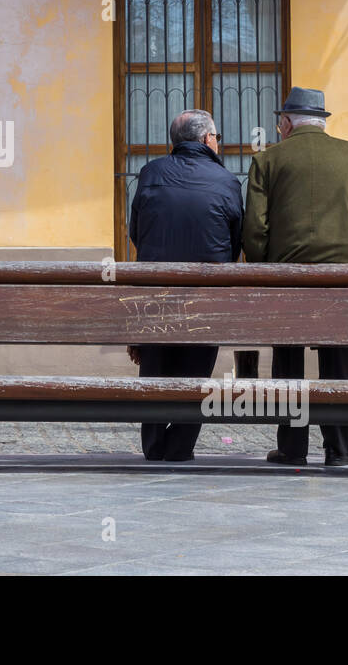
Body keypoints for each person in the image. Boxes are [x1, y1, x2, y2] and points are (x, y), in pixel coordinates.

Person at [243, 87, 348, 466]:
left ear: (287, 123)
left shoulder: (267, 160)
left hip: (287, 278)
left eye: (279, 123)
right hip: (341, 277)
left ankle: (292, 447)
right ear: (322, 121)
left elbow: (255, 228)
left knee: (288, 362)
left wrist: (263, 270)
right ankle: (338, 448)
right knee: (337, 362)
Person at [127, 109, 243, 462]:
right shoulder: (226, 181)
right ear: (207, 139)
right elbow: (235, 241)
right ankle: (179, 447)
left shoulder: (150, 173)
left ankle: (153, 446)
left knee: (156, 366)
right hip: (205, 297)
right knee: (195, 370)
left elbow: (136, 231)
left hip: (154, 292)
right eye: (217, 137)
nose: (218, 142)